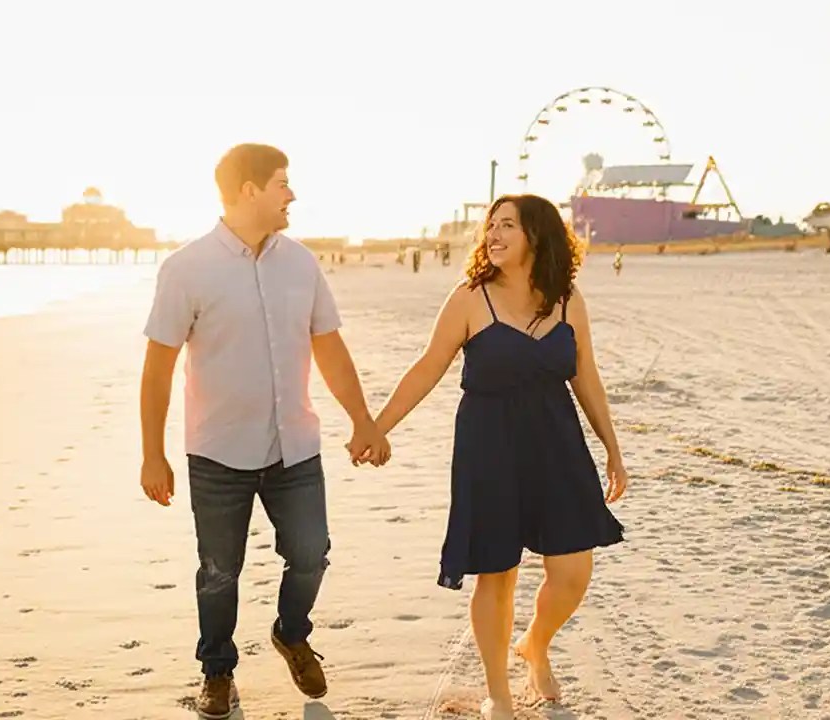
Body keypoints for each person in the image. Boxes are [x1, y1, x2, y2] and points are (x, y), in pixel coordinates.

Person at [139, 143, 390, 719]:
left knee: (311, 553)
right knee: (219, 569)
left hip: (295, 446)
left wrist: (362, 420)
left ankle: (291, 632)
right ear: (248, 189)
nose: (292, 194)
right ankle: (217, 671)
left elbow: (328, 346)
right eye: (281, 183)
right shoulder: (186, 268)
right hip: (217, 450)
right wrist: (153, 455)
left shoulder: (301, 263)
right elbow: (158, 368)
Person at [365, 194, 627, 719]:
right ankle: (499, 694)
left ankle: (535, 643)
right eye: (492, 225)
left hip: (557, 444)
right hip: (490, 446)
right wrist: (376, 427)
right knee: (497, 572)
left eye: (508, 225)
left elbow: (586, 376)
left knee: (573, 570)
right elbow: (427, 368)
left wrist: (612, 448)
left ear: (538, 234)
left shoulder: (568, 300)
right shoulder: (468, 299)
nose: (494, 234)